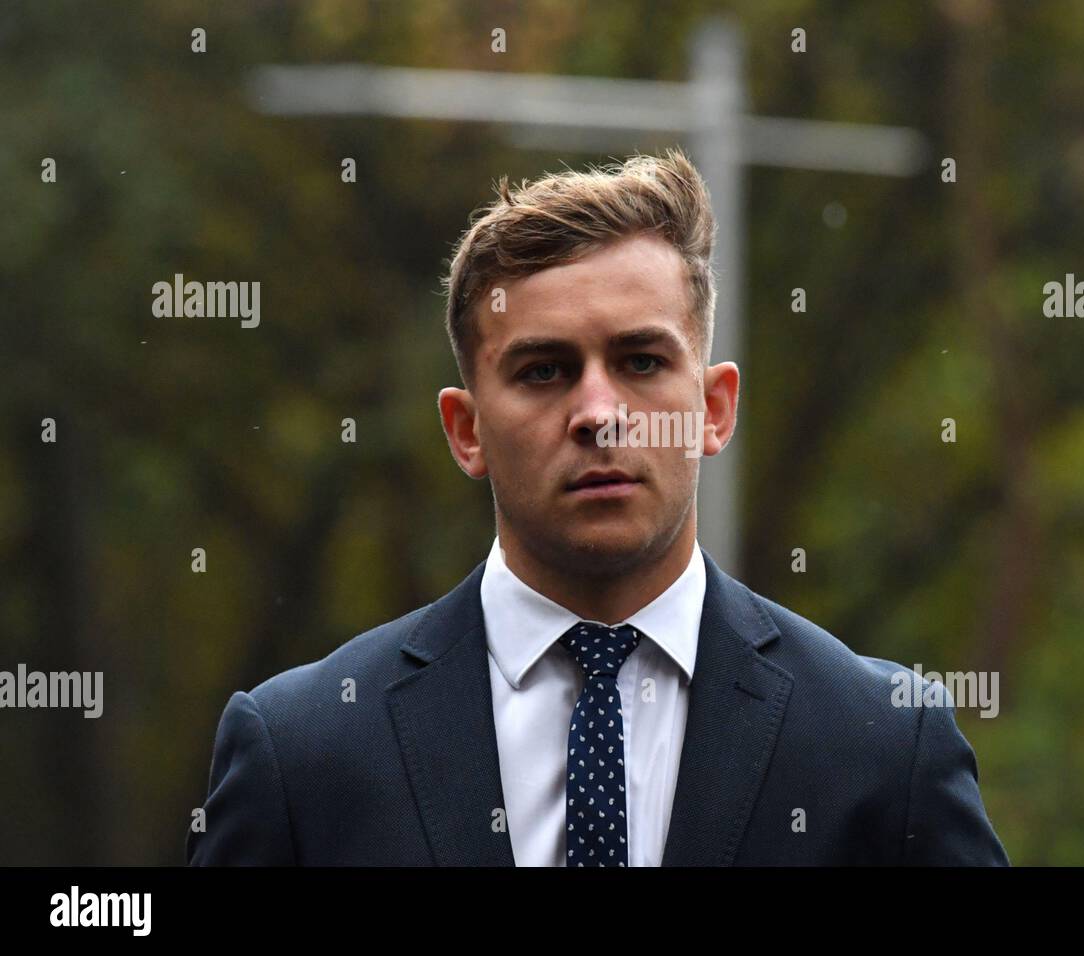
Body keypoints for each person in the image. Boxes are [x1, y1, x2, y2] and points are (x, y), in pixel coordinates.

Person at [187, 148, 1010, 866]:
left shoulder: (882, 745)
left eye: (642, 360)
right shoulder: (304, 753)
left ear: (714, 409)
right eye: (543, 371)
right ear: (466, 430)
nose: (598, 412)